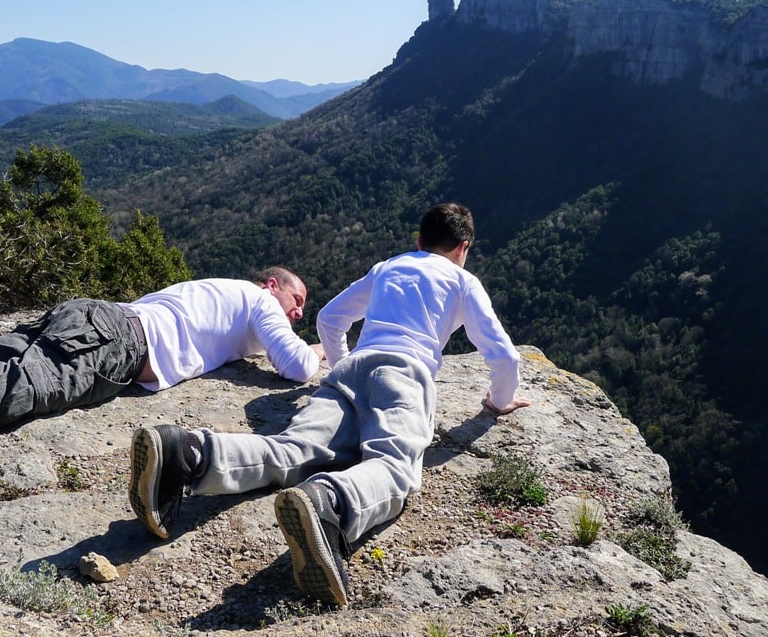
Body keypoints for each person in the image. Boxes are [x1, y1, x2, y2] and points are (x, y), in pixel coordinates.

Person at [128, 203, 530, 606]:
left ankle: (188, 453)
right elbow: (504, 356)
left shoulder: (388, 268)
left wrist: (342, 369)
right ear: (463, 247)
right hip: (405, 374)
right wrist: (499, 400)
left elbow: (330, 318)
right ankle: (331, 503)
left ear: (420, 242)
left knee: (294, 448)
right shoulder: (462, 281)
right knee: (396, 469)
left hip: (352, 370)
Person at [0, 269, 325, 434]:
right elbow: (296, 364)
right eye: (297, 299)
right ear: (272, 285)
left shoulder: (222, 292)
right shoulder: (261, 301)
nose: (299, 311)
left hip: (94, 316)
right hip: (117, 342)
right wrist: (320, 350)